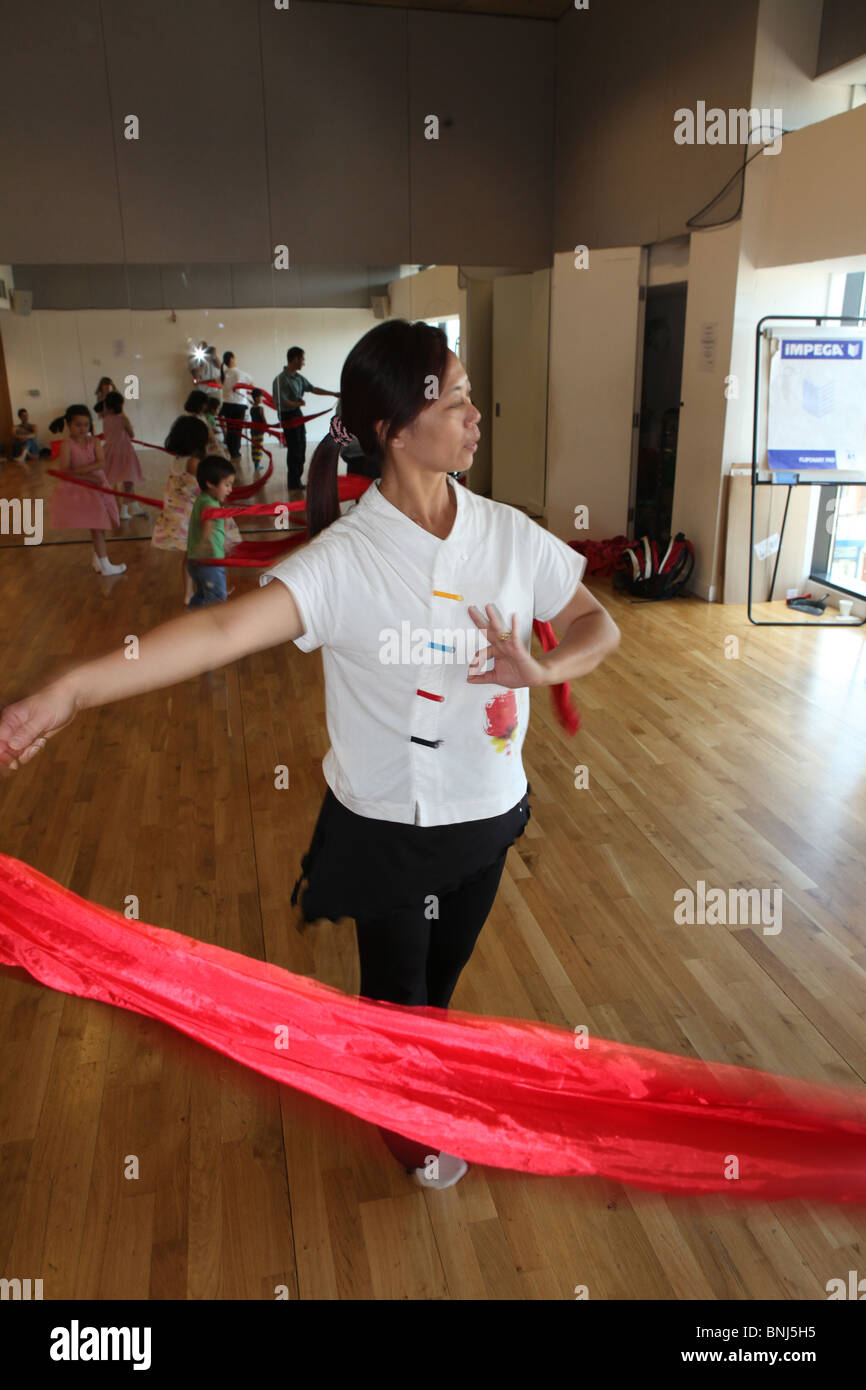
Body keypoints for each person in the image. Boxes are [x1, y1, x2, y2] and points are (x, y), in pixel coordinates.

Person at [0, 320, 620, 1189]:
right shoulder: (345, 562)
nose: (476, 415)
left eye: (470, 394)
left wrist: (545, 663)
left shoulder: (509, 533)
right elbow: (218, 629)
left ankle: (411, 1068)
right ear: (395, 430)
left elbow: (601, 620)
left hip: (489, 816)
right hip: (387, 834)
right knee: (398, 998)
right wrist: (68, 689)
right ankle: (406, 1119)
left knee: (436, 992)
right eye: (456, 399)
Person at [48, 404, 126, 576]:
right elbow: (66, 472)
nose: (83, 428)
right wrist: (89, 478)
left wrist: (84, 473)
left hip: (99, 485)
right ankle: (105, 565)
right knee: (97, 525)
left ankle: (98, 559)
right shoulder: (67, 444)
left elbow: (100, 462)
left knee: (102, 523)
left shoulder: (94, 441)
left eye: (86, 424)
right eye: (78, 425)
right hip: (83, 489)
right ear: (69, 425)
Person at [272, 347, 338, 492]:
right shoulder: (281, 380)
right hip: (289, 417)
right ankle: (293, 482)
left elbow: (312, 388)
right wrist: (297, 403)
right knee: (294, 449)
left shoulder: (298, 377)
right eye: (302, 359)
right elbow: (279, 401)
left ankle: (296, 480)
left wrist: (333, 394)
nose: (304, 362)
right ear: (295, 359)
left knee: (301, 446)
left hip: (297, 414)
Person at [186, 456, 236, 608]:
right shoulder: (209, 504)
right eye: (226, 485)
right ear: (210, 484)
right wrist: (206, 543)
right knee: (218, 602)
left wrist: (224, 541)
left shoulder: (202, 499)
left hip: (195, 561)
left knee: (202, 593)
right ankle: (215, 628)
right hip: (209, 562)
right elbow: (208, 524)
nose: (230, 489)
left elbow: (212, 526)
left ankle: (193, 617)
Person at [101, 391, 147, 520]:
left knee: (127, 480)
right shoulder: (123, 418)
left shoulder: (105, 420)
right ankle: (124, 511)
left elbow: (107, 435)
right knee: (129, 482)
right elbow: (132, 435)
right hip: (124, 451)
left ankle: (135, 507)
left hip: (109, 451)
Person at [219, 351, 251, 463]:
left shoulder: (222, 374)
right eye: (235, 357)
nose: (236, 359)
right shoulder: (240, 373)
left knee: (230, 428)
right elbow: (251, 385)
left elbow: (217, 383)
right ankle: (235, 452)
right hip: (239, 405)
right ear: (232, 359)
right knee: (237, 430)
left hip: (227, 404)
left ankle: (232, 450)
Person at [185, 389, 228, 459]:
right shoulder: (197, 418)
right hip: (203, 449)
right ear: (200, 404)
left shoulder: (200, 416)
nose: (206, 406)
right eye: (205, 403)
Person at [249, 389, 267, 471]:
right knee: (259, 447)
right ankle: (258, 464)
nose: (262, 398)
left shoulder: (252, 409)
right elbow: (263, 420)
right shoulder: (261, 408)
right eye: (261, 397)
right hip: (259, 431)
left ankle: (255, 463)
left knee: (254, 447)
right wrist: (267, 428)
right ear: (256, 398)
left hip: (253, 430)